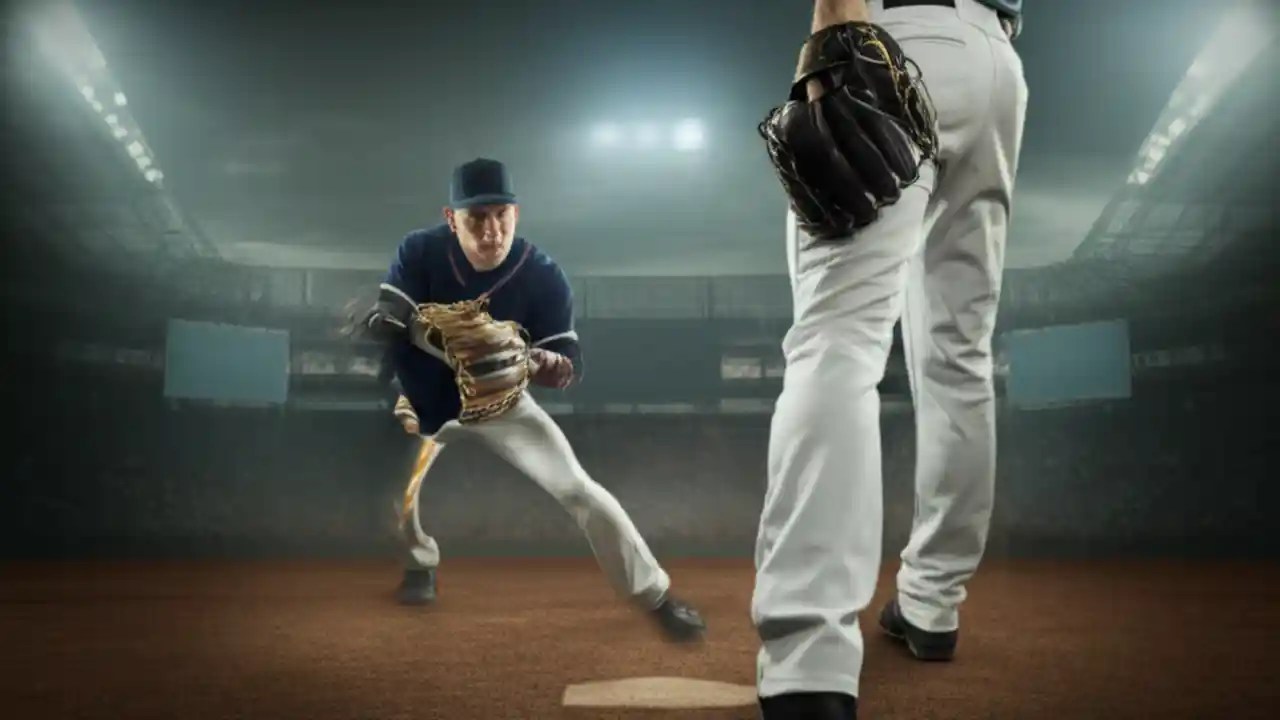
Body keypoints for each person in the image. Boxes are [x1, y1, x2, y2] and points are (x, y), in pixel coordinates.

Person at [752, 0, 1027, 716]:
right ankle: (933, 603)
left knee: (837, 336)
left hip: (895, 35)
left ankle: (809, 660)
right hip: (997, 64)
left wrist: (837, 32)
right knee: (959, 355)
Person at [357, 157, 706, 642]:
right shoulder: (420, 251)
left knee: (578, 489)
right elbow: (390, 310)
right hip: (424, 400)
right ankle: (420, 565)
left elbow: (567, 359)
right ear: (450, 217)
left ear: (516, 215)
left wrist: (553, 366)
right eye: (476, 217)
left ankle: (657, 598)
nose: (491, 229)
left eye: (501, 214)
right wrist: (384, 322)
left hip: (504, 405)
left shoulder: (542, 274)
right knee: (397, 495)